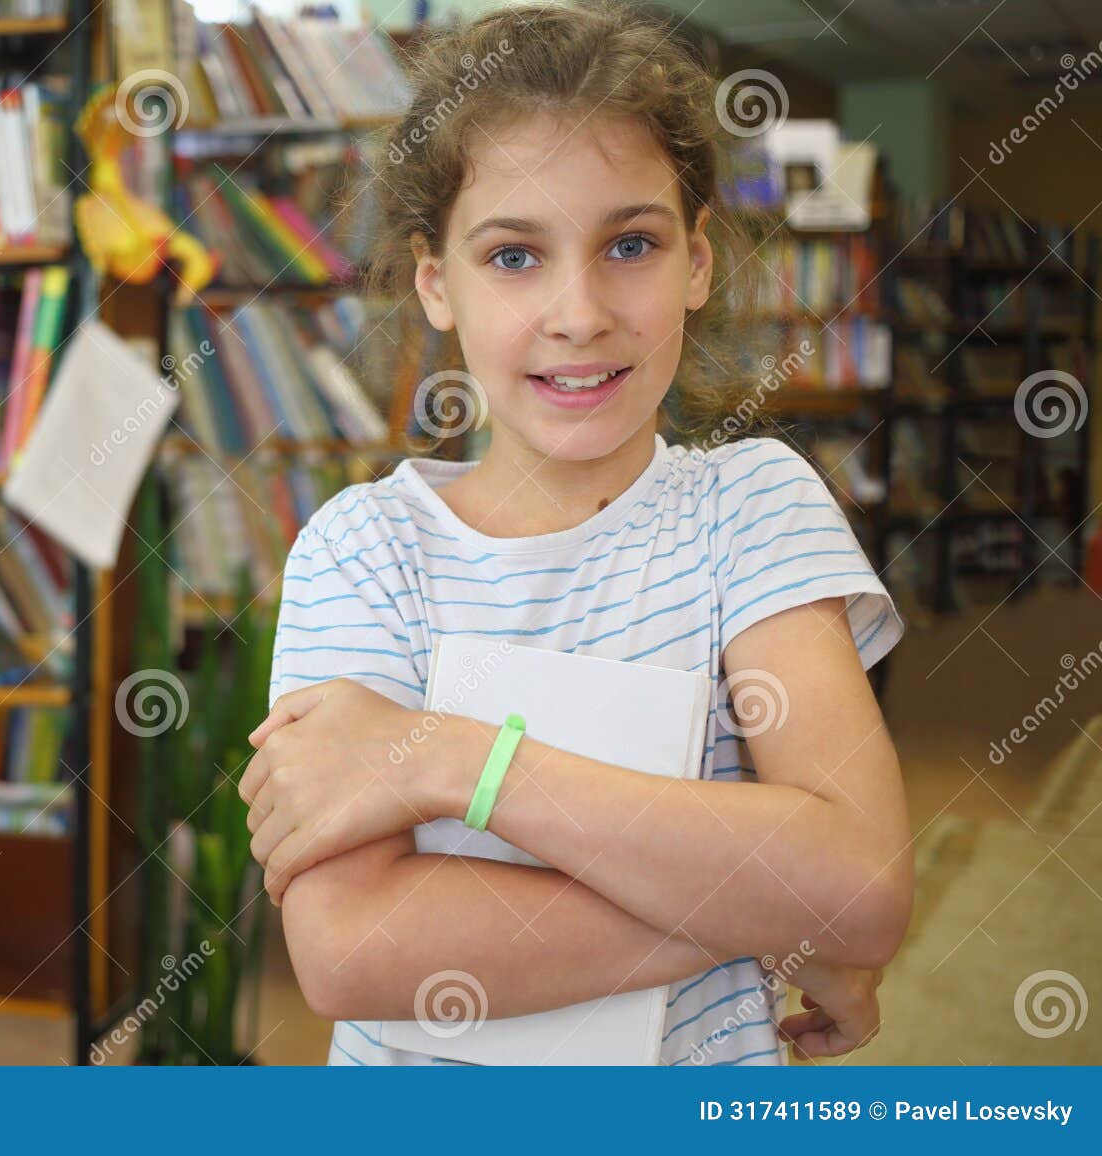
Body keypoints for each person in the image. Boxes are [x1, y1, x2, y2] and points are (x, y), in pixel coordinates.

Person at [238, 1, 911, 1067]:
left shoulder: (752, 508)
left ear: (695, 263)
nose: (579, 310)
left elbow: (860, 888)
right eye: (512, 256)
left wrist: (448, 760)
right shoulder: (360, 548)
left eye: (629, 244)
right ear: (435, 282)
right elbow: (352, 952)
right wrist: (758, 904)